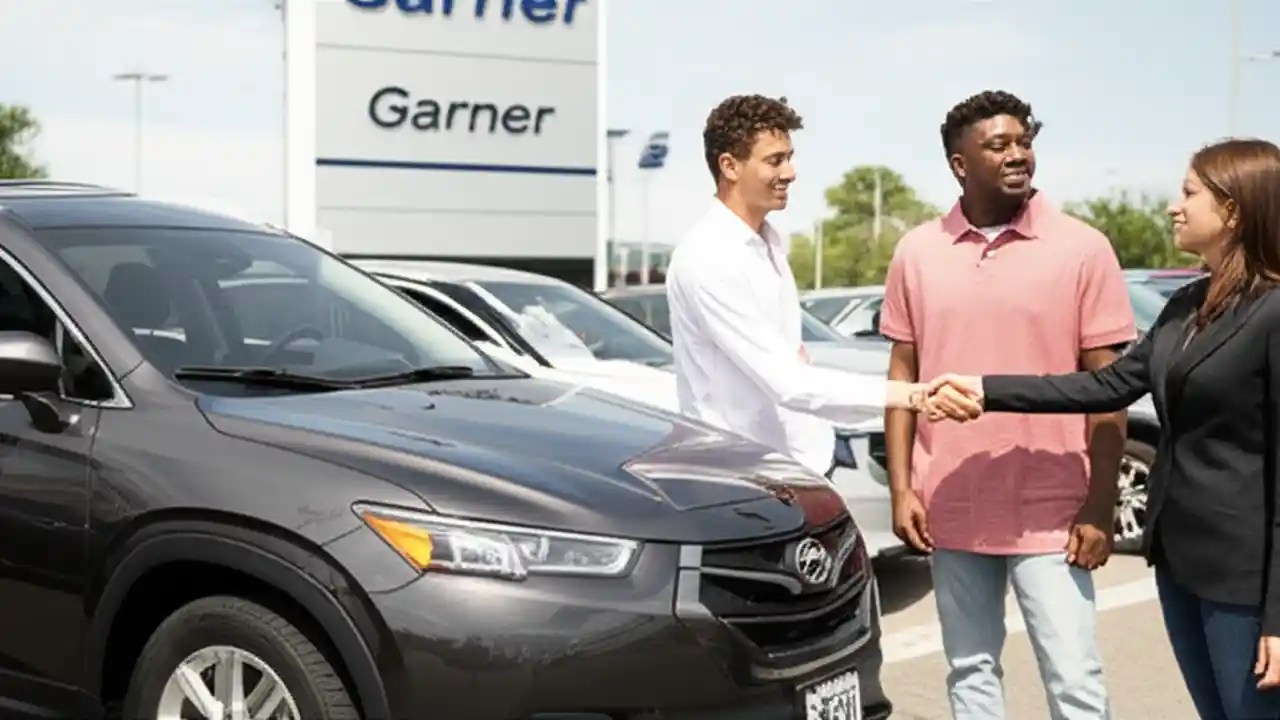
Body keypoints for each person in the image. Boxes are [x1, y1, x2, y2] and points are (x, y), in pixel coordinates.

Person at [928, 137, 1280, 720]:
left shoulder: (1273, 313)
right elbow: (1105, 385)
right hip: (1182, 563)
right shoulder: (1189, 303)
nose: (1175, 206)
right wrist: (986, 388)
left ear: (1235, 209)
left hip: (1246, 580)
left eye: (1190, 193)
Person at [878, 90, 1135, 720]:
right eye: (999, 145)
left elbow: (1111, 390)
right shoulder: (917, 251)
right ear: (959, 164)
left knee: (1074, 679)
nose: (1019, 154)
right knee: (970, 672)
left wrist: (1101, 501)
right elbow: (903, 377)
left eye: (1025, 142)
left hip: (1055, 508)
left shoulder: (1082, 248)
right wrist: (902, 489)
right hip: (953, 504)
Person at [664, 93, 947, 482]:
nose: (791, 172)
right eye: (775, 160)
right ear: (729, 166)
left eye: (789, 157)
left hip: (798, 464)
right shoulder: (708, 258)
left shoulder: (767, 241)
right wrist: (914, 395)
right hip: (742, 478)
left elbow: (792, 364)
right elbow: (789, 383)